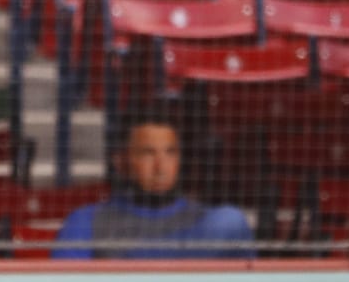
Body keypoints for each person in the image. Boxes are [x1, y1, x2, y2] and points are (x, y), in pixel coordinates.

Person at [53, 108, 254, 258]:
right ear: (121, 162)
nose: (160, 167)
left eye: (170, 153)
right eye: (147, 153)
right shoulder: (86, 223)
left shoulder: (220, 226)